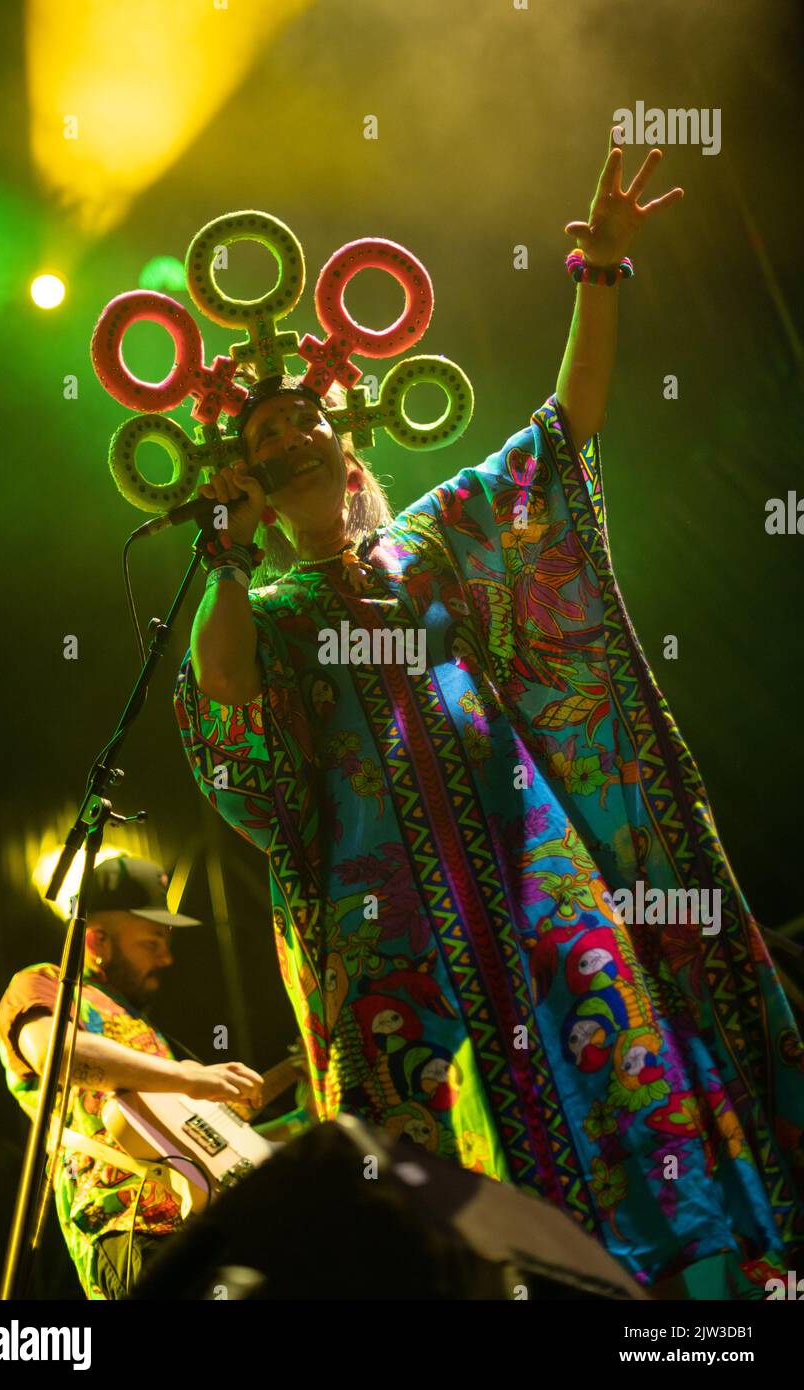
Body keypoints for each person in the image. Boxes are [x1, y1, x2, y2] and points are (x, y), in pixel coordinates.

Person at [174, 130, 804, 1300]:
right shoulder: (258, 602)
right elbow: (222, 693)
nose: (286, 438)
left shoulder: (437, 537)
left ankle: (693, 1300)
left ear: (343, 433)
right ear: (245, 476)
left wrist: (600, 271)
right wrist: (224, 553)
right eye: (260, 440)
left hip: (532, 868)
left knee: (620, 1084)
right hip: (382, 928)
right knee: (422, 1168)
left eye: (301, 419)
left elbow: (565, 430)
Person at [0, 853, 272, 1300]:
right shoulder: (43, 984)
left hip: (202, 1225)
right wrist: (188, 1080)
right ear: (97, 940)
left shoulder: (145, 1029)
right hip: (127, 1229)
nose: (166, 958)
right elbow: (54, 1053)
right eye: (151, 942)